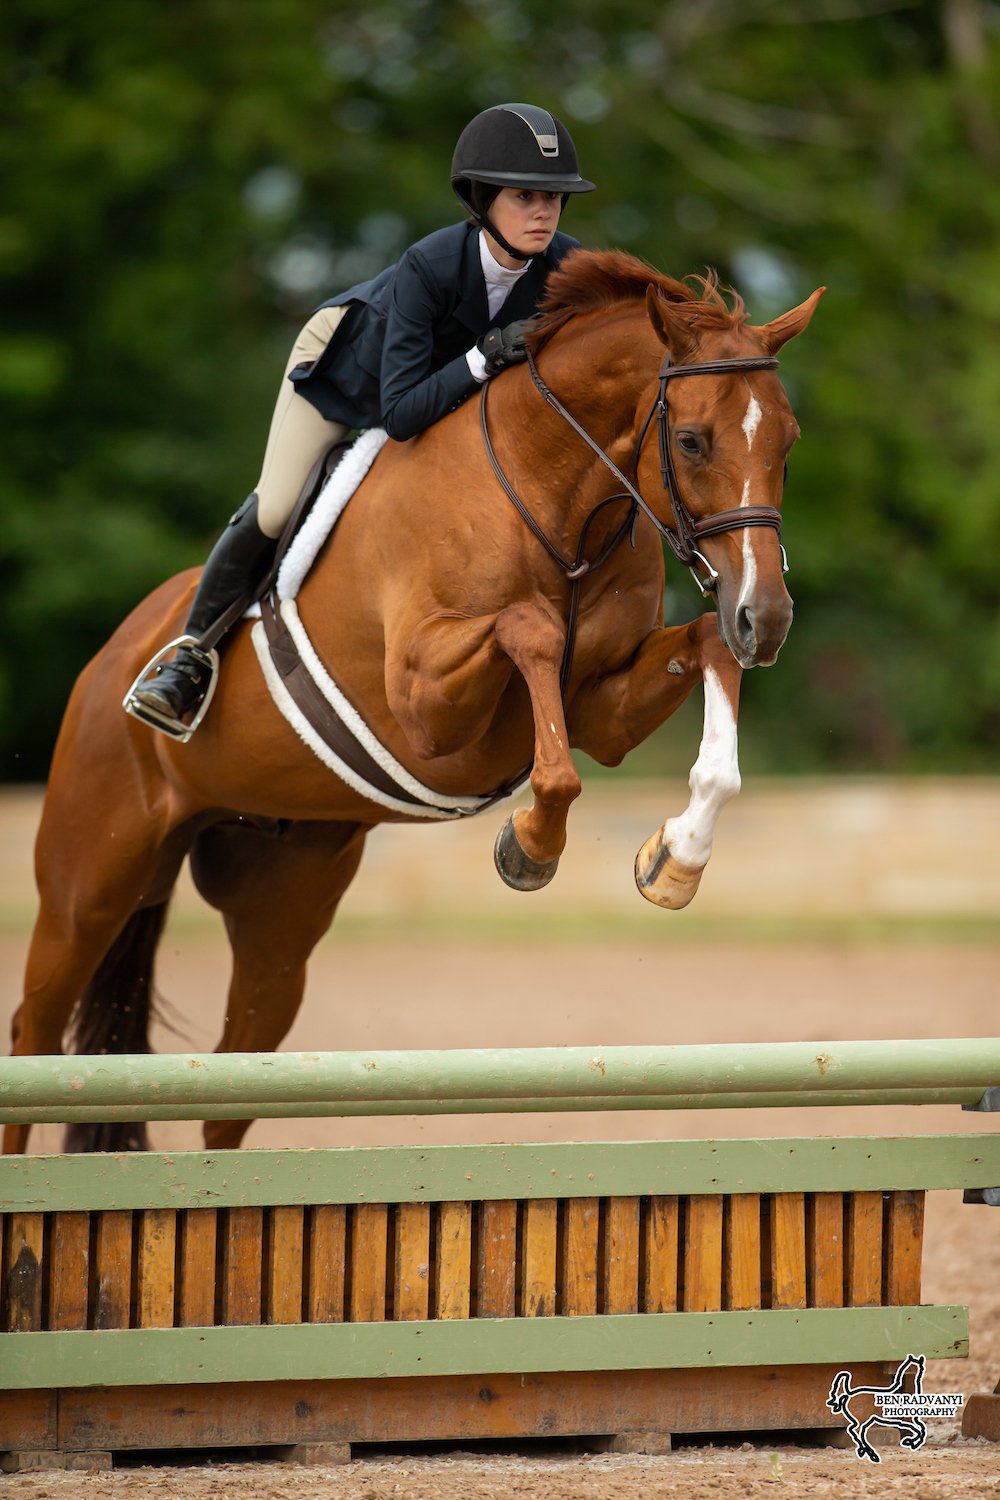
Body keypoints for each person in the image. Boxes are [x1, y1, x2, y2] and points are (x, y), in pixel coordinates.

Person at [127, 102, 595, 737]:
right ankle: (188, 658)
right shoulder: (430, 266)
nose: (544, 212)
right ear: (482, 200)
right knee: (278, 503)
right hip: (347, 369)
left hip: (442, 391)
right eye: (524, 196)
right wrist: (485, 356)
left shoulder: (566, 269)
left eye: (555, 198)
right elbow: (400, 415)